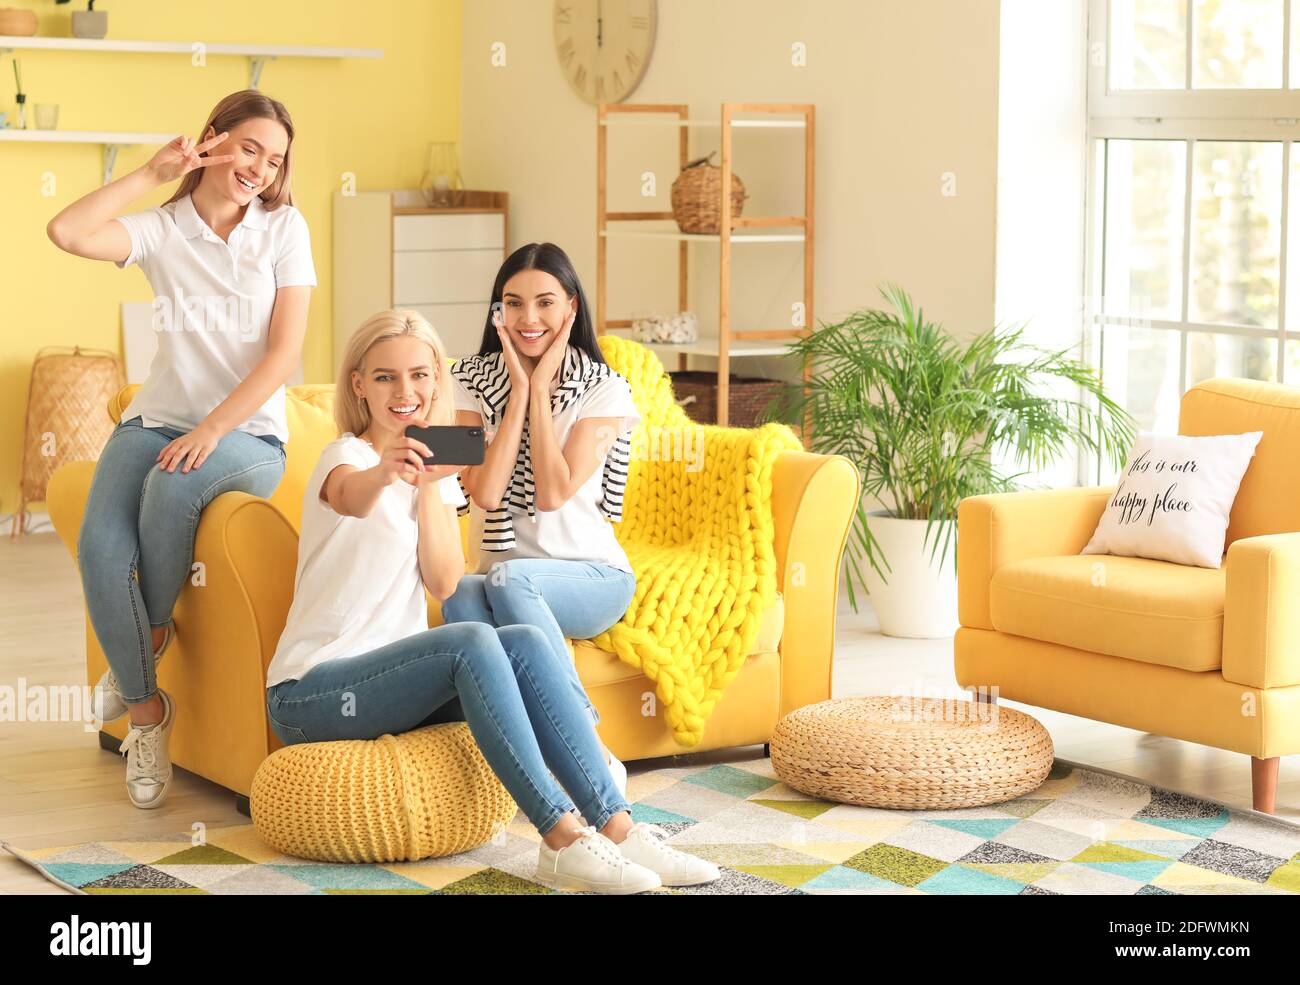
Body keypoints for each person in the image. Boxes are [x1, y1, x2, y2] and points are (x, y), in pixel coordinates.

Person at [264, 309, 718, 893]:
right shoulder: (344, 459)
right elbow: (352, 498)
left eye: (420, 375)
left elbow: (445, 582)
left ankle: (619, 827)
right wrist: (389, 472)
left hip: (395, 687)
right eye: (385, 377)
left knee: (523, 641)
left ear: (436, 379)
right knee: (473, 639)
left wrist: (426, 478)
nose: (406, 392)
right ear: (358, 384)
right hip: (313, 693)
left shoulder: (436, 470)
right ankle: (560, 839)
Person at [45, 89, 315, 809]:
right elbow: (67, 231)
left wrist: (212, 429)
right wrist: (150, 174)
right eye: (249, 147)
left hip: (250, 434)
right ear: (213, 140)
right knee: (102, 548)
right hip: (155, 419)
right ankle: (146, 711)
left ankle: (148, 632)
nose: (260, 167)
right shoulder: (163, 229)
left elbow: (284, 355)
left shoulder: (284, 229)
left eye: (275, 158)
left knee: (172, 484)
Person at [442, 243, 638, 793]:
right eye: (513, 303)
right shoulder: (466, 380)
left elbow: (552, 493)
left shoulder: (605, 388)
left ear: (571, 309)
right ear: (496, 312)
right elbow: (483, 490)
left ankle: (587, 747)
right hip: (505, 575)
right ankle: (508, 762)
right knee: (460, 595)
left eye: (545, 303)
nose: (529, 319)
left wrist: (542, 395)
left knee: (508, 577)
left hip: (594, 578)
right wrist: (520, 392)